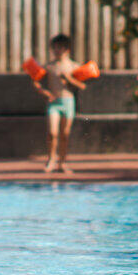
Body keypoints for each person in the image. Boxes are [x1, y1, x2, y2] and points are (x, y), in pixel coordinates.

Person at [34, 33, 87, 174]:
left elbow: (82, 86)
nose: (57, 50)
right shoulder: (49, 66)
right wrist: (44, 92)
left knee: (65, 134)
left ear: (67, 49)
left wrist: (69, 79)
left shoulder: (74, 66)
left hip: (68, 102)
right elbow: (36, 81)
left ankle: (62, 162)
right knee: (52, 132)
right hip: (54, 102)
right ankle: (51, 160)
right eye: (55, 48)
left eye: (60, 48)